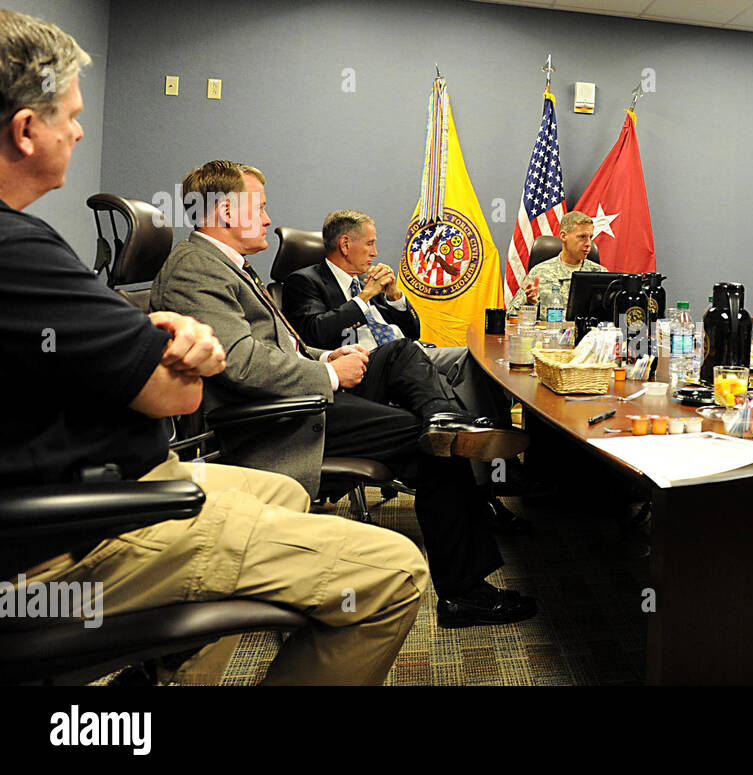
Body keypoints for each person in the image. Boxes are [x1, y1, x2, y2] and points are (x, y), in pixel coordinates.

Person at [0, 9, 429, 684]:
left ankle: (170, 672)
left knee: (283, 496)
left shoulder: (29, 249)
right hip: (77, 541)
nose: (81, 130)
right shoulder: (21, 251)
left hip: (100, 491)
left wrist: (167, 350)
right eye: (72, 116)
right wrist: (185, 348)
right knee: (396, 572)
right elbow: (180, 389)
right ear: (27, 130)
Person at [150, 160, 536, 628]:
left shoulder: (227, 266)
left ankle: (444, 418)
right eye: (262, 207)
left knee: (400, 353)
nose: (269, 220)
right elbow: (239, 361)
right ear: (228, 212)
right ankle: (464, 590)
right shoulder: (197, 268)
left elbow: (284, 345)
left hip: (299, 393)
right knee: (436, 448)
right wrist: (327, 376)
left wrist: (324, 357)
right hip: (279, 418)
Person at [280, 209, 530, 532]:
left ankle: (491, 462)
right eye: (369, 244)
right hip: (365, 369)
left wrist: (395, 296)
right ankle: (485, 482)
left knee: (472, 361)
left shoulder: (365, 281)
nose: (374, 252)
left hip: (409, 357)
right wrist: (364, 298)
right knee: (439, 380)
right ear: (344, 244)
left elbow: (411, 330)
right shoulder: (305, 281)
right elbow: (315, 333)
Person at [505, 210, 605, 316]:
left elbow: (615, 319)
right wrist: (528, 301)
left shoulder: (601, 274)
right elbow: (511, 314)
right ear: (563, 236)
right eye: (582, 237)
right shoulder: (537, 272)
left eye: (590, 237)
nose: (588, 244)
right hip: (549, 331)